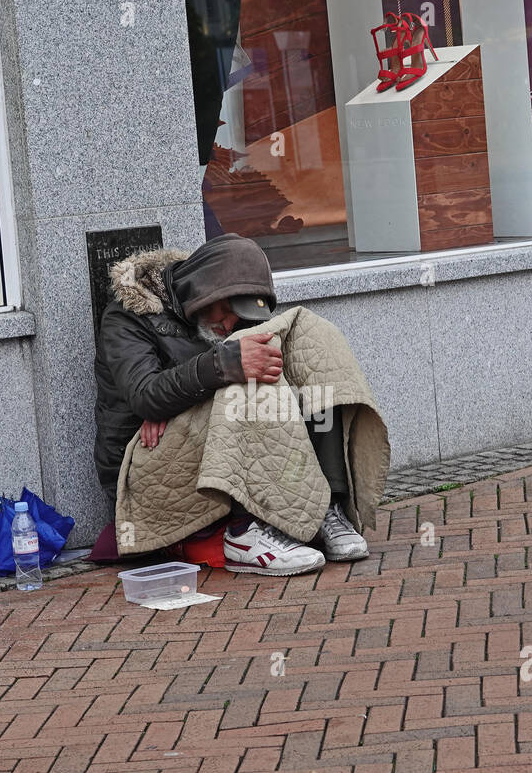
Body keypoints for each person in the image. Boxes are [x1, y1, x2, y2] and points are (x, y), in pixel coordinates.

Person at [92, 233, 369, 576]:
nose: (230, 325)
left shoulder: (223, 316)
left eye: (239, 318)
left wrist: (184, 395)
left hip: (193, 434)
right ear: (204, 290)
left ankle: (325, 504)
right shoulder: (127, 317)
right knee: (246, 381)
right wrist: (223, 365)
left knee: (310, 346)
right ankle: (242, 533)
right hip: (141, 460)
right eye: (226, 312)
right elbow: (146, 395)